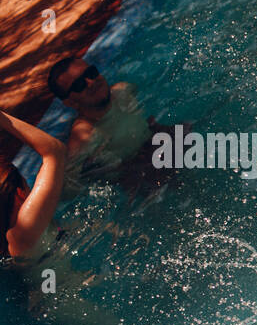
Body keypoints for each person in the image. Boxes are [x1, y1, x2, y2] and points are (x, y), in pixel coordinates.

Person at [47, 56, 164, 196]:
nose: (91, 82)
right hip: (142, 180)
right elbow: (69, 188)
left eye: (91, 73)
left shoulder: (124, 91)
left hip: (162, 145)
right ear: (70, 102)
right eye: (79, 85)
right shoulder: (84, 136)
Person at [1, 109, 66, 261]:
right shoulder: (24, 228)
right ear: (19, 194)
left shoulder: (12, 240)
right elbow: (54, 151)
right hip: (70, 284)